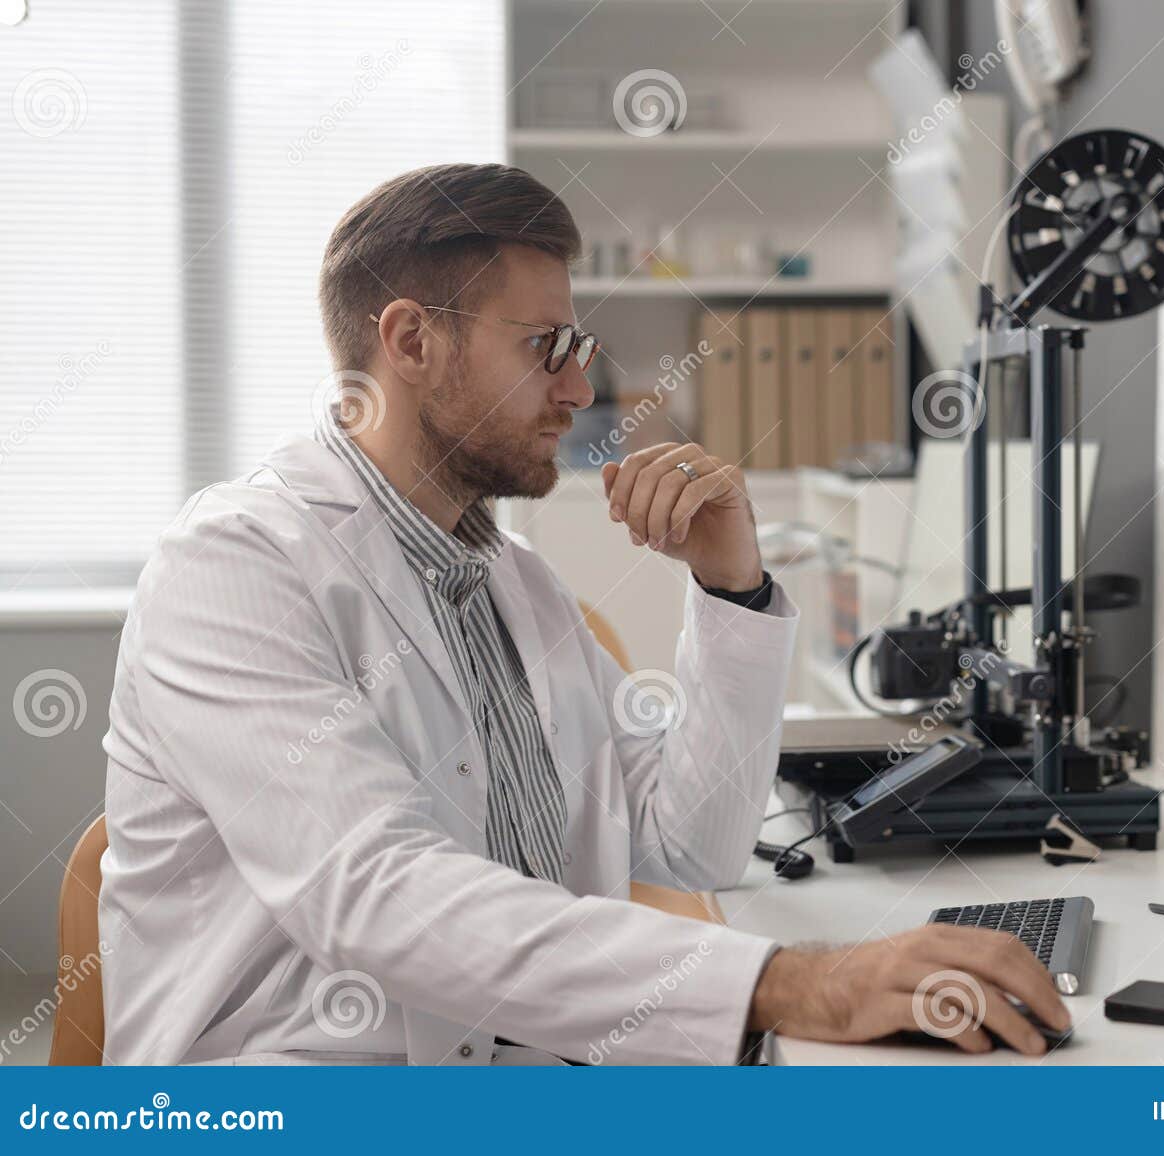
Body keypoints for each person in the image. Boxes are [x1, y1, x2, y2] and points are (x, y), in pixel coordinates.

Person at [99, 163, 1070, 1065]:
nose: (579, 389)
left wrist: (731, 585)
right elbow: (377, 895)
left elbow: (692, 842)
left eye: (579, 349)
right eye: (545, 347)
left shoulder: (509, 580)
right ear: (411, 342)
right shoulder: (233, 567)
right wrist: (792, 983)